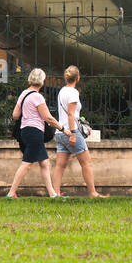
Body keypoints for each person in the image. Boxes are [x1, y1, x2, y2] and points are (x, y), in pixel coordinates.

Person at [7, 68, 66, 198]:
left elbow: (15, 115)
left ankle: (52, 194)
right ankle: (11, 193)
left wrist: (28, 112)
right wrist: (63, 129)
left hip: (24, 131)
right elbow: (48, 118)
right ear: (42, 81)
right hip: (35, 132)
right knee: (27, 164)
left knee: (44, 163)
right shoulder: (38, 97)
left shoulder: (24, 94)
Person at [52, 65, 107, 198]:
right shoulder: (74, 92)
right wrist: (73, 134)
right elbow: (71, 115)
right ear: (77, 78)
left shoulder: (62, 91)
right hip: (71, 132)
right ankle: (93, 192)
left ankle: (55, 193)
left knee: (60, 165)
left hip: (60, 132)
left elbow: (72, 115)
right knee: (86, 163)